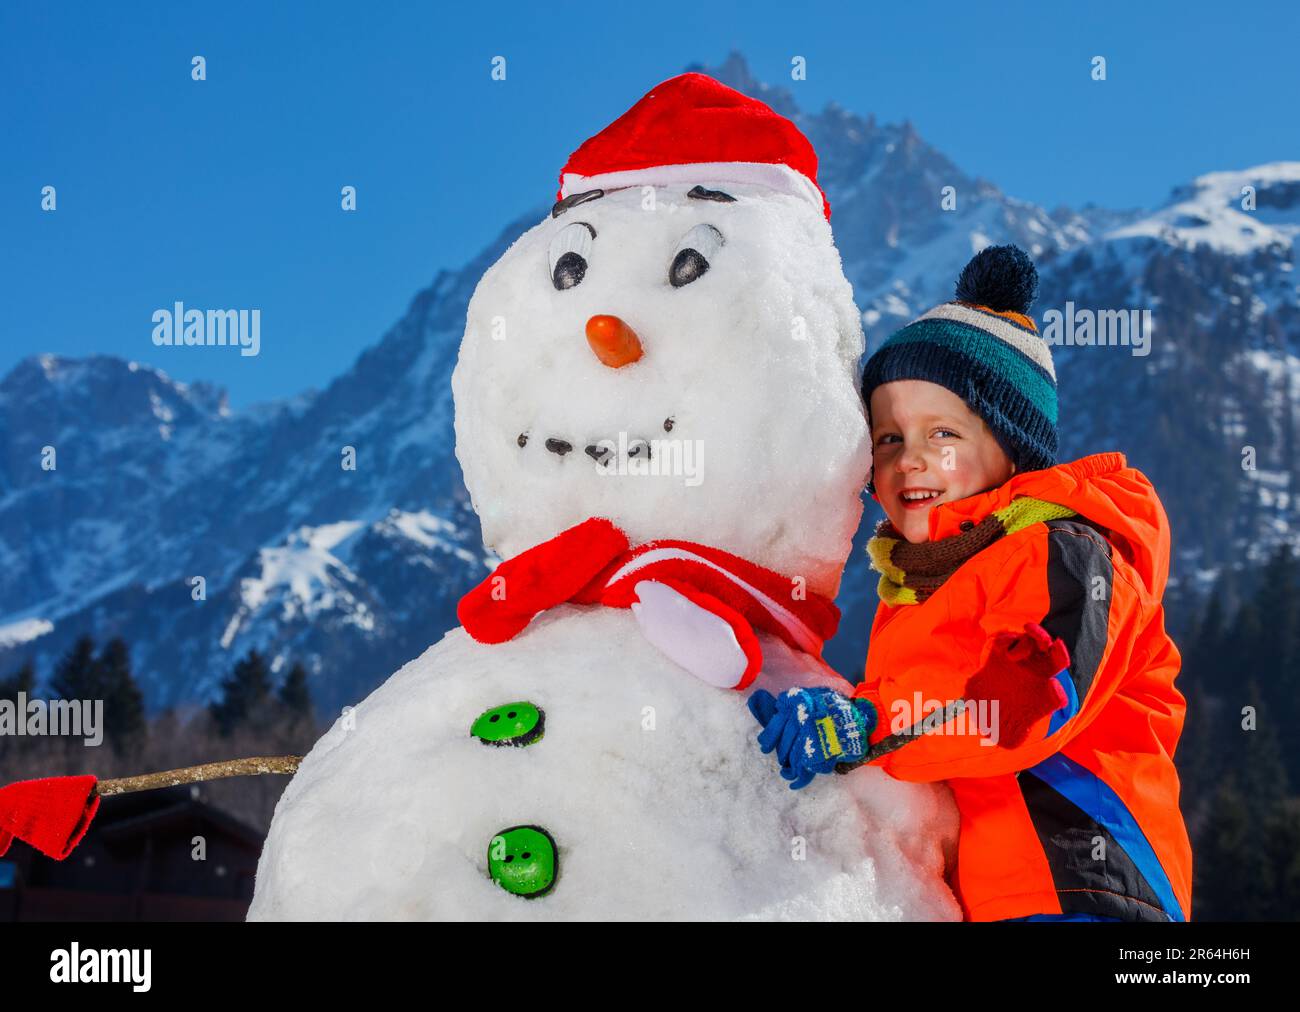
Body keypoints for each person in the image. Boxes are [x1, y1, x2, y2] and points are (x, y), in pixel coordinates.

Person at [749, 245, 1192, 922]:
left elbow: (1026, 696)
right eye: (888, 438)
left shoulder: (1066, 553)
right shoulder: (922, 582)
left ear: (1012, 449)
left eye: (943, 433)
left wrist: (865, 725)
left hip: (1085, 884)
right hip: (1001, 896)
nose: (911, 458)